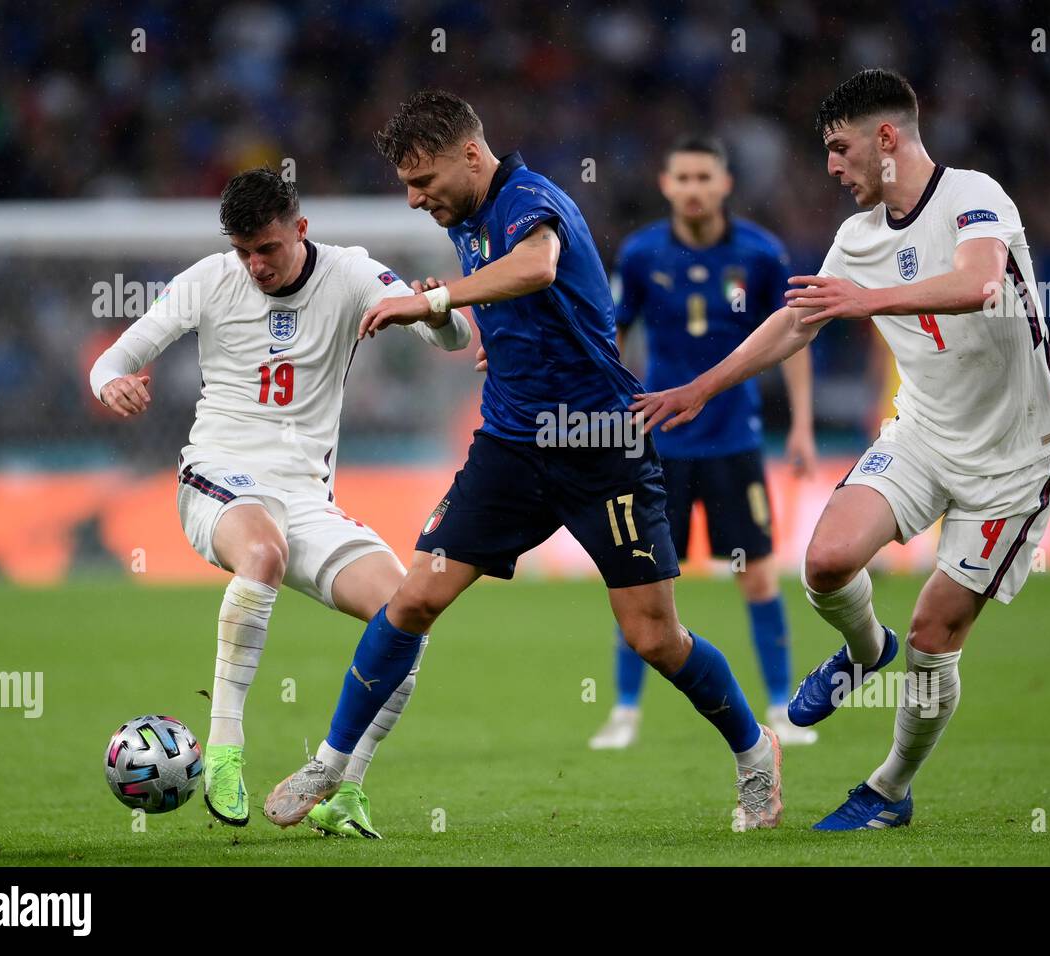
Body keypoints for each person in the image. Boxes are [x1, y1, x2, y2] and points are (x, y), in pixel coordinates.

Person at [264, 90, 783, 834]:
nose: (413, 200)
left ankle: (755, 753)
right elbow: (531, 297)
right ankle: (331, 760)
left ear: (471, 155)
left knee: (654, 638)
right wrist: (497, 336)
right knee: (412, 599)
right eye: (406, 186)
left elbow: (537, 266)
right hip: (509, 449)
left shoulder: (528, 200)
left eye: (422, 181)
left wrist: (434, 300)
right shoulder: (470, 214)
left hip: (599, 446)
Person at [632, 69, 1050, 830]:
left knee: (936, 635)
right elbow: (797, 321)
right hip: (925, 434)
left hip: (1014, 459)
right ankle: (865, 652)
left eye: (840, 149)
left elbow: (978, 283)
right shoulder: (857, 237)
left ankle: (889, 789)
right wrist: (702, 386)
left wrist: (867, 300)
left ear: (887, 139)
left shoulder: (974, 196)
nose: (831, 168)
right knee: (827, 561)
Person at [89, 167, 472, 836]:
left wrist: (435, 307)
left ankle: (345, 790)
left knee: (408, 614)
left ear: (300, 229)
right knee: (263, 552)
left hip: (308, 501)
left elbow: (454, 339)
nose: (255, 265)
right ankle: (226, 752)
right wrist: (112, 385)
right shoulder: (210, 280)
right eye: (243, 251)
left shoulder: (352, 275)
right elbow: (113, 360)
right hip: (218, 480)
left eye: (267, 248)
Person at [590, 134, 819, 751]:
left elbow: (795, 335)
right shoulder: (640, 256)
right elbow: (609, 334)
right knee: (640, 578)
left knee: (758, 576)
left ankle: (782, 707)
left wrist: (800, 424)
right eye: (682, 178)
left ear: (725, 184)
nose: (693, 189)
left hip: (733, 442)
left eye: (703, 178)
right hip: (660, 444)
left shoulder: (762, 254)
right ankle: (625, 712)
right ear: (666, 185)